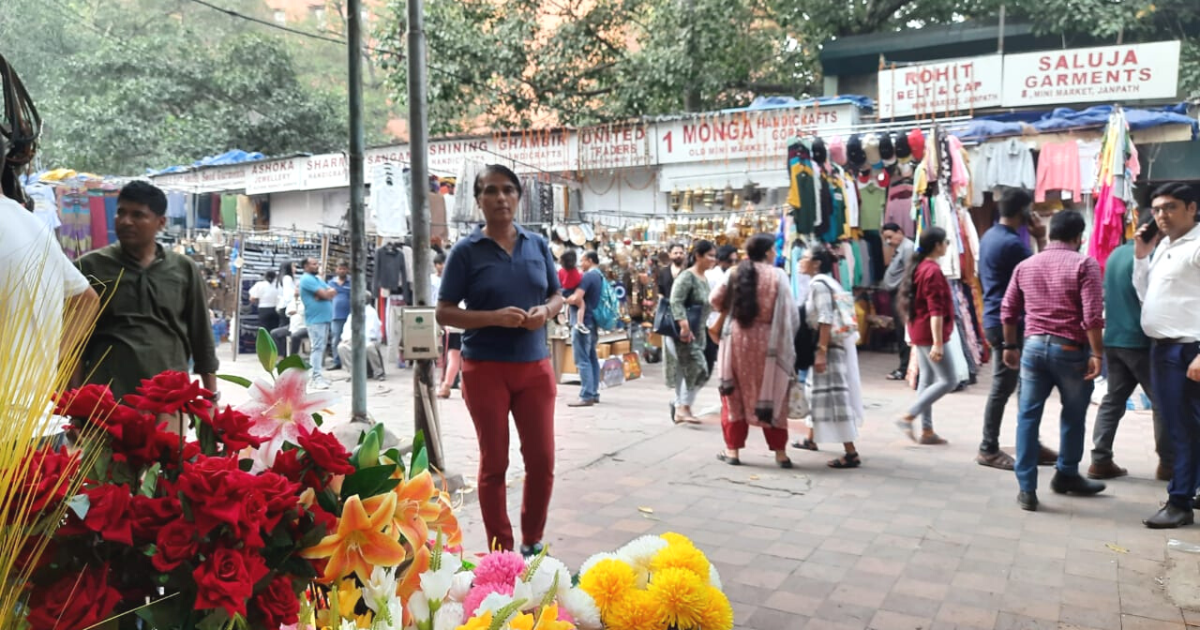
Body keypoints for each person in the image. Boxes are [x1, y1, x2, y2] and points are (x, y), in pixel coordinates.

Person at [436, 164, 564, 555]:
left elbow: (557, 295)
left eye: (508, 190)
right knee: (495, 464)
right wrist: (492, 318)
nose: (500, 198)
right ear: (478, 200)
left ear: (519, 198)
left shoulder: (537, 244)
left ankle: (532, 540)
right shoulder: (465, 252)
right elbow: (443, 312)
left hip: (536, 367)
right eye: (491, 191)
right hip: (484, 369)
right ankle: (500, 550)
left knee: (541, 459)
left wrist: (546, 312)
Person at [76, 181, 219, 404]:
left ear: (160, 223)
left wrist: (211, 399)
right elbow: (73, 344)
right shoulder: (90, 268)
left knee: (169, 441)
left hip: (169, 400)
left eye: (138, 215)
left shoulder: (183, 269)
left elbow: (202, 337)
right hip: (107, 402)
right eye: (121, 212)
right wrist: (75, 403)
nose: (125, 221)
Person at [1002, 210, 1106, 512]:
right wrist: (1098, 354)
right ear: (1078, 237)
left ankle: (1026, 489)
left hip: (1033, 348)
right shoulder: (1085, 264)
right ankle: (1067, 475)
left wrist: (1010, 344)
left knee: (1028, 416)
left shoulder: (1026, 265)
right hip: (1070, 350)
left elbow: (1008, 309)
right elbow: (1092, 315)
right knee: (1073, 415)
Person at [1135, 183, 1200, 529]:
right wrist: (1142, 256)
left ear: (1191, 208)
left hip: (1188, 350)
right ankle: (1190, 489)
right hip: (1164, 348)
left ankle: (1179, 502)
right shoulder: (1164, 246)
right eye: (1157, 209)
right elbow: (1146, 294)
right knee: (1187, 426)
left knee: (1182, 429)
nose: (1161, 215)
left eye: (1170, 207)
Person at [1091, 231, 1171, 481]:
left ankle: (1100, 459)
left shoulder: (1116, 254)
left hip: (1114, 337)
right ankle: (1168, 463)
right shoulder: (1152, 256)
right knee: (1162, 402)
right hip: (1140, 341)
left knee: (1113, 400)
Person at [711, 234, 797, 467]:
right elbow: (790, 312)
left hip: (736, 341)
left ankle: (733, 452)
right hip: (769, 343)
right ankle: (780, 453)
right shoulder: (778, 275)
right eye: (774, 250)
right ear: (768, 251)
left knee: (734, 396)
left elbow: (715, 300)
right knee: (773, 392)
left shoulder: (734, 273)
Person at [976, 188, 1033, 470]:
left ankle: (1028, 442)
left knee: (1020, 385)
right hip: (1008, 324)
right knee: (1004, 386)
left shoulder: (990, 236)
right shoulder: (1014, 245)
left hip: (995, 318)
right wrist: (1042, 238)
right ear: (1023, 212)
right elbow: (1036, 274)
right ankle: (988, 448)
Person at [802, 243, 865, 468]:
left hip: (828, 348)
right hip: (829, 346)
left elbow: (825, 318)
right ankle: (810, 438)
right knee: (816, 394)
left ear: (816, 263)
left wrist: (821, 351)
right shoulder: (829, 283)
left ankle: (850, 452)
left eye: (805, 257)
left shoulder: (819, 285)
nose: (801, 260)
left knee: (834, 398)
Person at [895, 227, 952, 446]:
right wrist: (938, 343)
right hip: (929, 333)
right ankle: (909, 416)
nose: (947, 245)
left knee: (927, 379)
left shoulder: (921, 267)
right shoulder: (932, 271)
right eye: (945, 241)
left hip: (920, 329)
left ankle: (927, 430)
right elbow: (935, 309)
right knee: (949, 380)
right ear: (937, 245)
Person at [667, 240, 716, 424]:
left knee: (687, 369)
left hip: (699, 331)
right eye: (710, 255)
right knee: (697, 367)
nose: (713, 259)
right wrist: (684, 326)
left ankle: (681, 406)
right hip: (683, 332)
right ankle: (683, 407)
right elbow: (675, 300)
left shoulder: (704, 278)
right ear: (698, 256)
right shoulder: (687, 276)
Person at [566, 251, 603, 407]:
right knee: (591, 357)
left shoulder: (588, 276)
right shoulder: (599, 276)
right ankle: (593, 392)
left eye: (582, 260)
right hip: (592, 322)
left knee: (582, 359)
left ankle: (586, 394)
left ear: (589, 260)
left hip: (583, 323)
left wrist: (563, 299)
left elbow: (576, 298)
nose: (580, 264)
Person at [880, 223, 914, 381]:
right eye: (886, 238)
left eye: (890, 237)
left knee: (903, 332)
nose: (888, 241)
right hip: (897, 294)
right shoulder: (900, 249)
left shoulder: (907, 248)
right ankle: (905, 366)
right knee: (901, 332)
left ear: (900, 232)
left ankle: (904, 367)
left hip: (902, 295)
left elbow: (910, 274)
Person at [298, 257, 337, 390]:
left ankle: (318, 375)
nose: (317, 266)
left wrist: (324, 294)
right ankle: (315, 377)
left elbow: (332, 291)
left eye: (317, 264)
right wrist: (324, 294)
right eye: (313, 264)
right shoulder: (307, 279)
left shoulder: (317, 279)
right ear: (305, 266)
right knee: (317, 347)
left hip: (323, 318)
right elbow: (326, 294)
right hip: (315, 319)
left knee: (321, 347)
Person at [434, 252, 463, 399]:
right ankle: (463, 387)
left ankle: (446, 386)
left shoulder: (451, 280)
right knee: (462, 357)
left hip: (456, 323)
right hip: (468, 322)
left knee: (454, 356)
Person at [704, 245, 738, 374]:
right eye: (730, 261)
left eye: (735, 261)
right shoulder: (710, 276)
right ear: (721, 260)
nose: (732, 264)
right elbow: (711, 299)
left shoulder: (735, 275)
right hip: (713, 318)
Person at [337, 292, 385, 381]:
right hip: (353, 339)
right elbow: (347, 328)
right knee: (341, 347)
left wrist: (361, 338)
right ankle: (354, 372)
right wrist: (346, 339)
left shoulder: (372, 312)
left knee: (369, 347)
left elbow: (372, 331)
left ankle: (378, 372)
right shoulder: (353, 313)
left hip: (369, 339)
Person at [558, 249, 588, 334]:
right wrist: (582, 274)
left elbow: (559, 282)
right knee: (582, 305)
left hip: (563, 292)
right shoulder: (574, 272)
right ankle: (580, 323)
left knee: (567, 307)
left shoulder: (560, 271)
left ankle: (567, 319)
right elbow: (578, 280)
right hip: (573, 292)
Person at [329, 262, 351, 370]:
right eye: (340, 268)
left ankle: (350, 361)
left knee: (350, 339)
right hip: (336, 315)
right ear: (336, 270)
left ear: (347, 270)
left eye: (344, 268)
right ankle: (336, 361)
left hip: (350, 316)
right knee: (336, 339)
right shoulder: (331, 283)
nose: (342, 270)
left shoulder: (352, 282)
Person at [271, 293, 307, 358]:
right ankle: (280, 356)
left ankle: (292, 357)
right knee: (274, 333)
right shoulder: (293, 300)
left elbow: (304, 311)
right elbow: (288, 312)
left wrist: (296, 311)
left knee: (295, 336)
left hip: (304, 326)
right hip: (292, 326)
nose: (296, 291)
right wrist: (297, 311)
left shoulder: (308, 300)